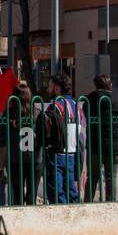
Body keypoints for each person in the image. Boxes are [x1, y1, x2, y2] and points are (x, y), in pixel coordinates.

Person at [83, 75, 118, 202]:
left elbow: (86, 116)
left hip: (94, 144)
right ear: (110, 84)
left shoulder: (88, 100)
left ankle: (87, 203)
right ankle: (110, 204)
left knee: (92, 177)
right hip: (114, 144)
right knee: (111, 178)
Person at [44, 74, 83, 204]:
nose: (48, 90)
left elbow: (47, 129)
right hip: (71, 153)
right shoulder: (76, 105)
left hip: (56, 153)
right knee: (71, 191)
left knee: (56, 192)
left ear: (57, 89)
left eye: (50, 87)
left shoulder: (56, 105)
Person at [6, 83, 45, 206]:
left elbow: (1, 134)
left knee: (17, 196)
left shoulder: (10, 114)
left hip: (15, 159)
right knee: (31, 195)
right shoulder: (37, 112)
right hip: (35, 158)